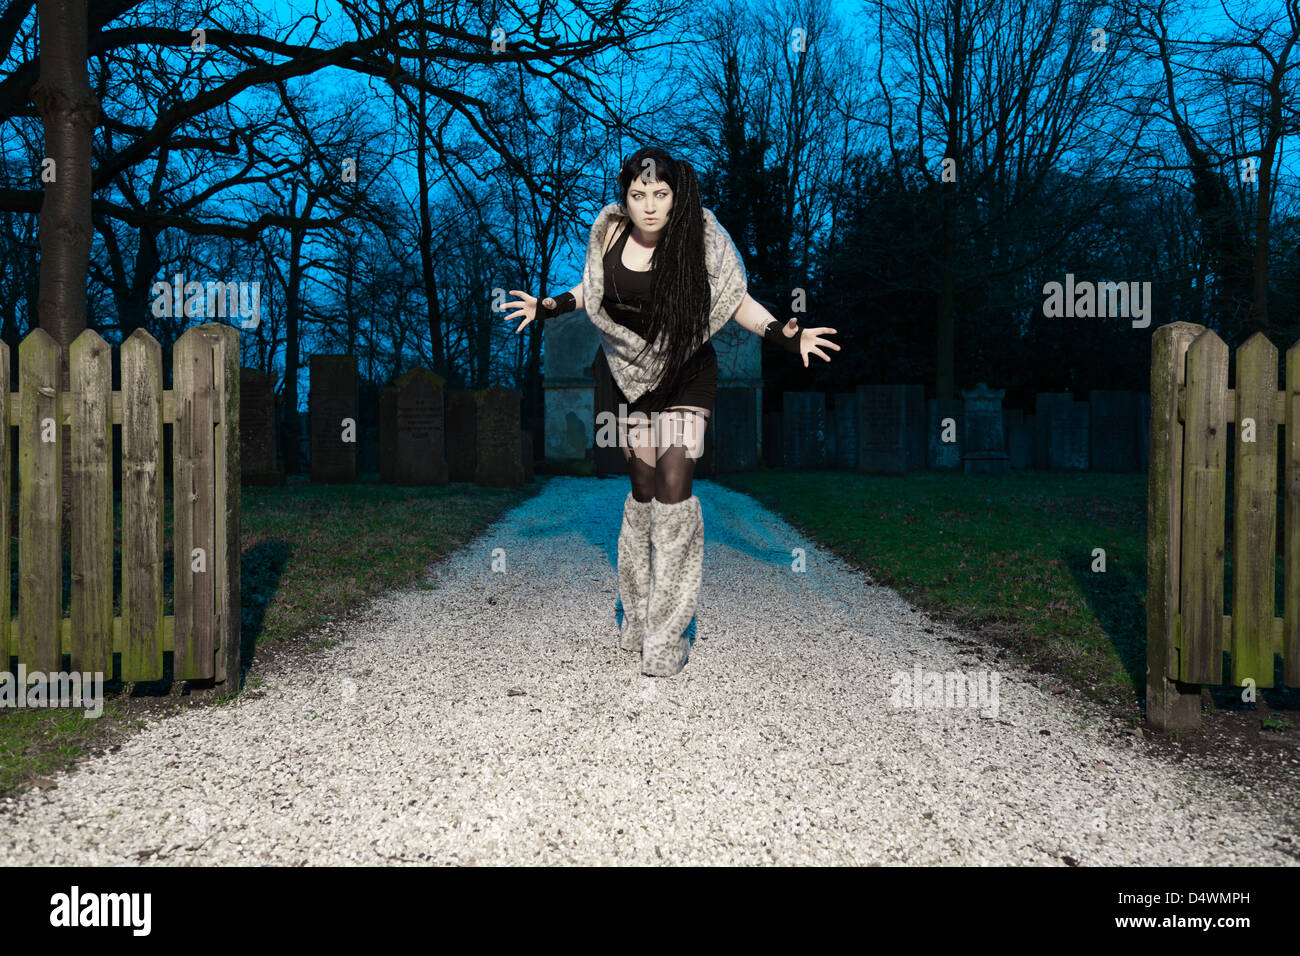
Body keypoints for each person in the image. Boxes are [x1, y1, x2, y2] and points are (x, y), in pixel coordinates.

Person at [505, 146, 838, 677]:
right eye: (639, 195)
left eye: (660, 194)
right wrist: (549, 306)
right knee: (642, 489)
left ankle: (667, 632)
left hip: (686, 373)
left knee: (675, 479)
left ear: (676, 195)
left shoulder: (701, 237)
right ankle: (635, 614)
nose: (650, 206)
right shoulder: (610, 232)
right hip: (627, 379)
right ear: (626, 197)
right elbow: (590, 289)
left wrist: (783, 333)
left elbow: (734, 298)